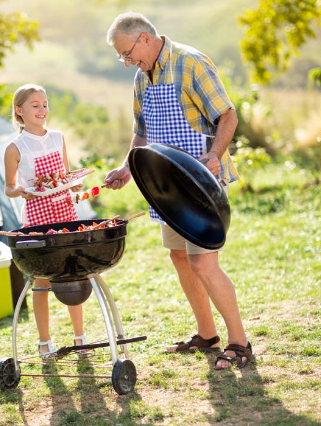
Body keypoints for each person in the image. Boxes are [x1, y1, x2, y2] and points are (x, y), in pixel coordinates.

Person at [104, 12, 252, 370]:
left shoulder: (190, 63)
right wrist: (128, 166)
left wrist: (215, 156)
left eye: (127, 53)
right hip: (166, 188)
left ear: (143, 38)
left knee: (203, 261)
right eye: (121, 57)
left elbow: (228, 115)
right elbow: (141, 130)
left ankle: (239, 342)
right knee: (180, 258)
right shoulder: (142, 76)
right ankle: (207, 335)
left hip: (200, 185)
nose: (127, 62)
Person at [4, 83, 87, 358]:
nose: (42, 110)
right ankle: (44, 342)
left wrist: (72, 184)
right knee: (42, 281)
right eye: (35, 105)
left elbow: (63, 175)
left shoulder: (57, 137)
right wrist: (20, 191)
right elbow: (9, 187)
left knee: (72, 274)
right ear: (20, 111)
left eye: (45, 104)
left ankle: (80, 337)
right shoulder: (15, 147)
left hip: (64, 211)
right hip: (36, 217)